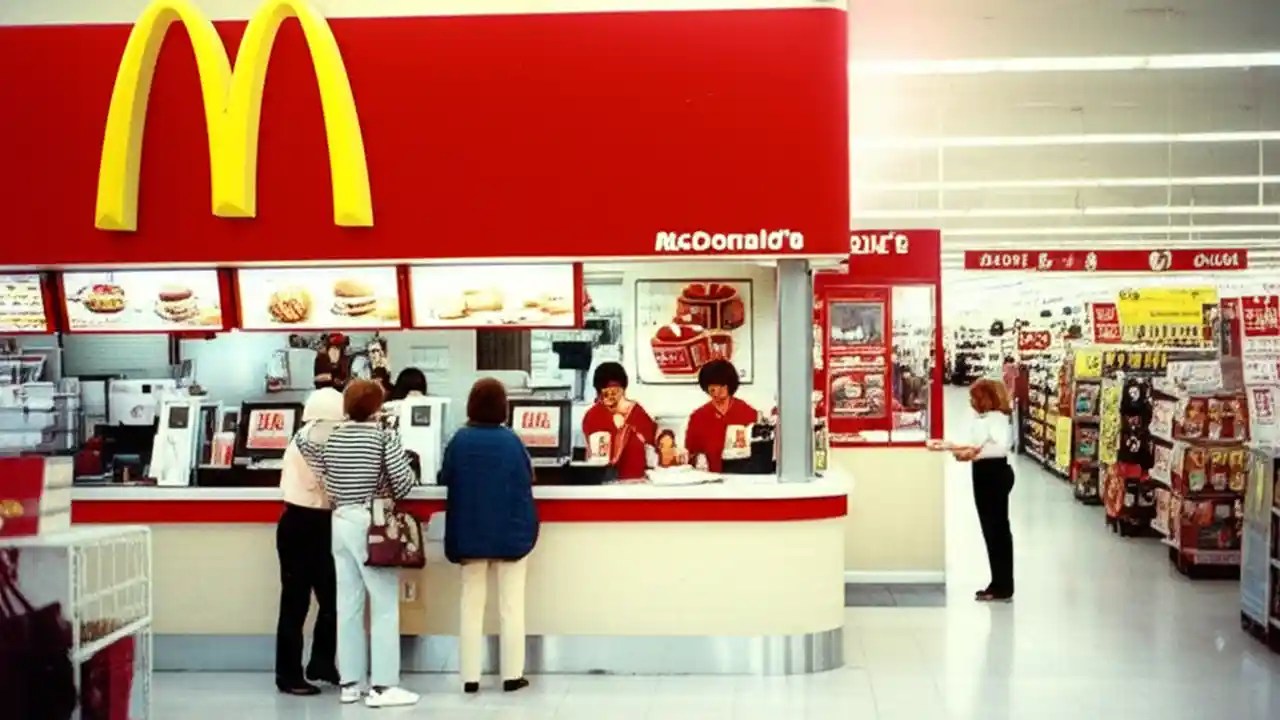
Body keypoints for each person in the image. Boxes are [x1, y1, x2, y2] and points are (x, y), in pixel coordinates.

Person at [297, 380, 419, 708]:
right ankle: (383, 686)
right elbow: (405, 482)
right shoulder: (382, 437)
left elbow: (306, 447)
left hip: (340, 522)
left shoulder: (331, 438)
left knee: (347, 605)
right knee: (383, 604)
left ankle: (350, 684)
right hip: (371, 522)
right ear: (376, 407)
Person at [439, 378, 539, 694]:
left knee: (471, 607)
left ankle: (470, 677)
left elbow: (446, 477)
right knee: (511, 606)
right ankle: (512, 675)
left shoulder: (459, 440)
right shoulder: (512, 441)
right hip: (511, 534)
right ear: (503, 408)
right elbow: (528, 478)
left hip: (470, 535)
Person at [274, 388, 342, 695]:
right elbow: (333, 481)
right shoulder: (322, 435)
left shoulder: (301, 434)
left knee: (303, 602)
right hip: (313, 524)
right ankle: (293, 674)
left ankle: (317, 664)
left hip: (295, 523)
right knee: (321, 601)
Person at [929, 378, 1015, 602]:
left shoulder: (998, 419)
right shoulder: (985, 418)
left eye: (974, 398)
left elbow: (996, 447)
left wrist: (965, 452)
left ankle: (1003, 585)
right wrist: (955, 448)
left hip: (993, 475)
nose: (970, 402)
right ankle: (998, 583)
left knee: (996, 531)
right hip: (985, 474)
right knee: (992, 530)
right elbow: (976, 445)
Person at [580, 362, 658, 481]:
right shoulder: (593, 416)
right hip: (607, 483)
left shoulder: (636, 410)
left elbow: (655, 438)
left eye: (616, 391)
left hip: (638, 483)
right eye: (608, 392)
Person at [684, 359, 758, 473]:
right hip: (709, 479)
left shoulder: (748, 413)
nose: (719, 389)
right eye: (714, 385)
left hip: (742, 477)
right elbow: (690, 454)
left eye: (723, 384)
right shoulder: (697, 417)